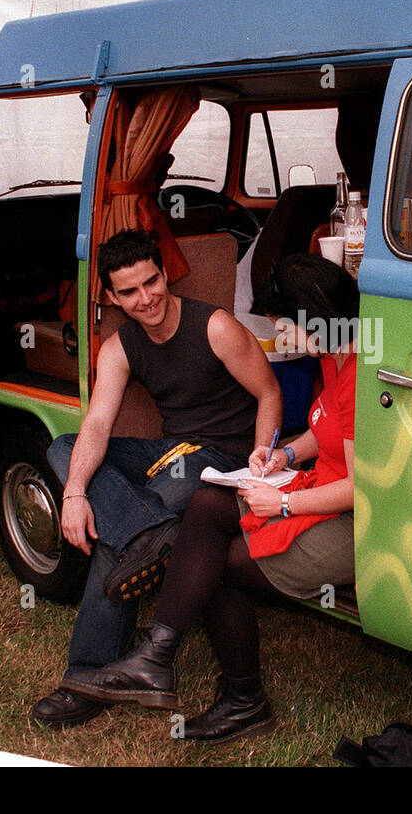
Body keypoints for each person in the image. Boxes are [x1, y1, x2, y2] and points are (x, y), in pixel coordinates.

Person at [63, 254, 358, 743]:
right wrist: (285, 452)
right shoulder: (332, 355)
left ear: (315, 315)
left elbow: (364, 484)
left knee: (211, 561)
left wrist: (281, 505)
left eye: (284, 327)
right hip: (314, 489)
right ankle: (156, 653)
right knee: (205, 508)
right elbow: (325, 431)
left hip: (351, 517)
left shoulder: (361, 372)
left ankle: (241, 699)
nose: (281, 340)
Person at [31, 229, 282, 728]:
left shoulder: (214, 327)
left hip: (218, 459)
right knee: (64, 449)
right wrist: (76, 493)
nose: (145, 298)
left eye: (151, 281)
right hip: (169, 452)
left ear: (165, 274)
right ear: (110, 296)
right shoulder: (121, 346)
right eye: (129, 291)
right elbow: (99, 423)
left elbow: (269, 393)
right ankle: (148, 534)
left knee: (113, 539)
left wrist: (262, 455)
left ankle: (86, 676)